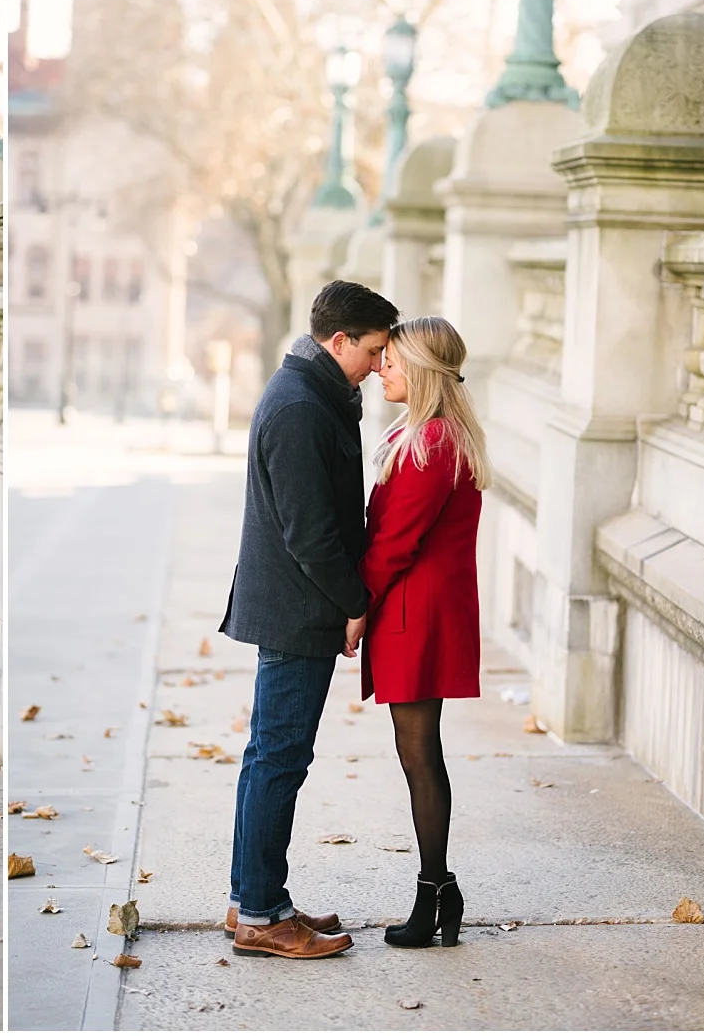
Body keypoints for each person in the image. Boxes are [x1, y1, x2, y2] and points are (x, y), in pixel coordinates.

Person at [219, 279, 399, 959]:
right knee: (279, 759)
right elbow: (311, 534)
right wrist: (355, 601)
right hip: (298, 609)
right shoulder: (299, 406)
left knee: (270, 756)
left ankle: (252, 897)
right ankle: (261, 915)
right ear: (339, 340)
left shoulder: (312, 392)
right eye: (373, 351)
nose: (379, 366)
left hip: (294, 603)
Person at [361, 316, 490, 948]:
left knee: (419, 754)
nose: (380, 369)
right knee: (418, 752)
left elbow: (395, 541)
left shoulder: (433, 440)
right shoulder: (427, 433)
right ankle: (439, 891)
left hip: (418, 614)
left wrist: (357, 606)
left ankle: (436, 890)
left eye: (390, 359)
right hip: (421, 609)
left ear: (420, 369)